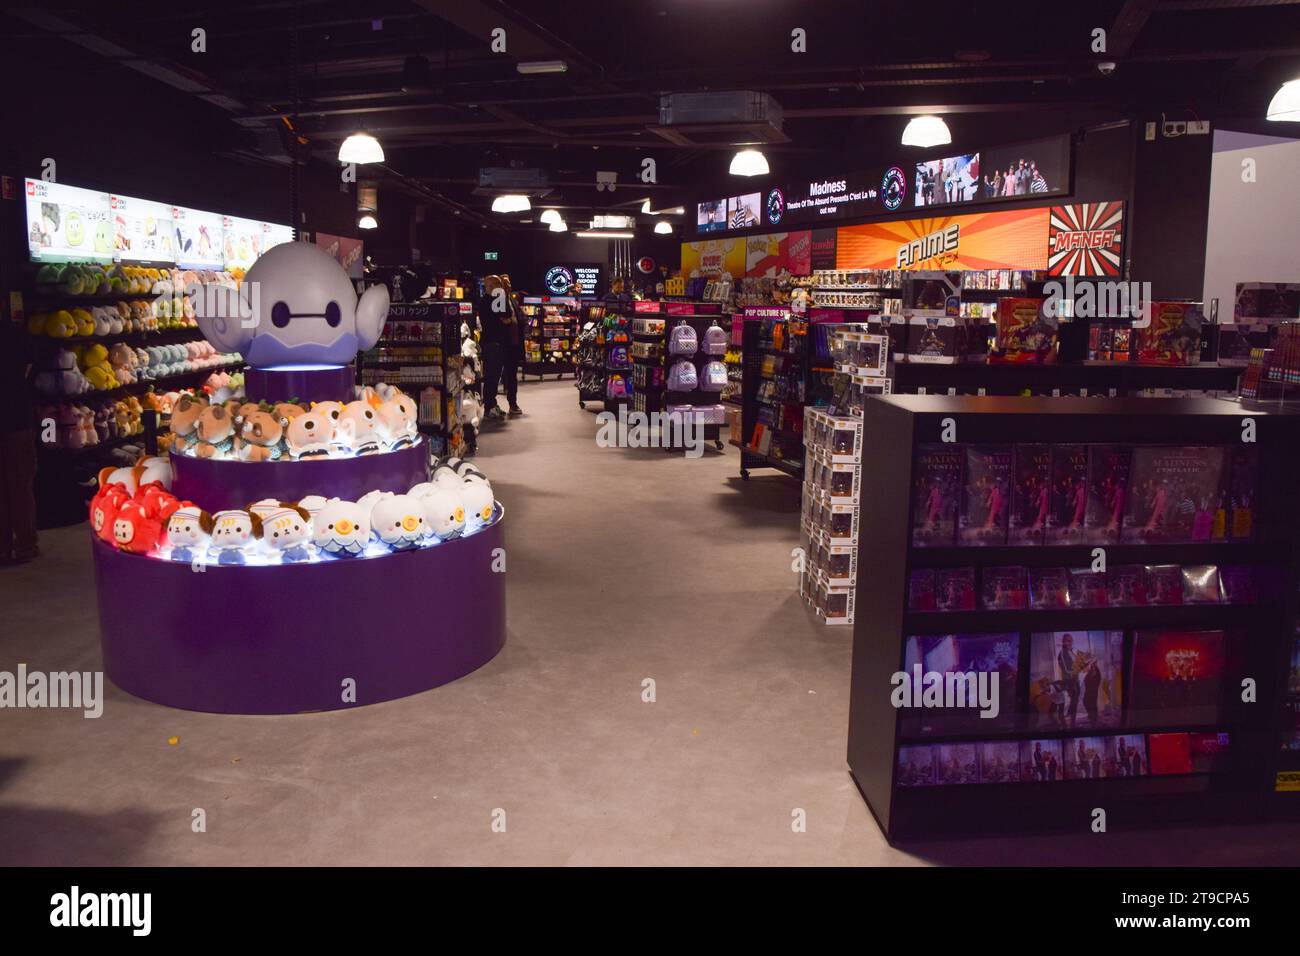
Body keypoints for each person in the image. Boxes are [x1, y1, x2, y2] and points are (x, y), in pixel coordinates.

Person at [0, 318, 38, 563]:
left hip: (16, 419)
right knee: (21, 485)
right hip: (18, 417)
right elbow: (28, 369)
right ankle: (25, 545)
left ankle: (3, 548)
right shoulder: (15, 332)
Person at [479, 274, 523, 419]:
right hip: (496, 344)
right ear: (492, 286)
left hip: (497, 344)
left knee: (495, 376)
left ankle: (492, 405)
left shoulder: (487, 300)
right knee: (493, 376)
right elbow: (506, 318)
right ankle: (489, 407)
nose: (503, 287)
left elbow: (508, 317)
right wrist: (507, 319)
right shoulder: (495, 300)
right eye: (499, 284)